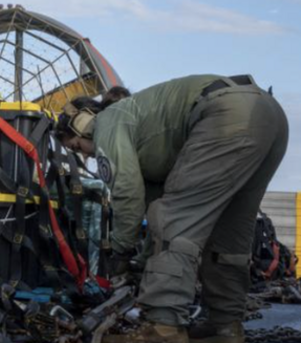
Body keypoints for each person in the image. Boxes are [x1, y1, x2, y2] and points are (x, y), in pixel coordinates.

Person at [57, 75, 289, 343]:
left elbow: (129, 197)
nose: (85, 155)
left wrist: (119, 253)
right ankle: (224, 326)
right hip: (269, 116)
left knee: (175, 220)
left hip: (225, 116)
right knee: (228, 233)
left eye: (77, 146)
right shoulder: (146, 138)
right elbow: (153, 209)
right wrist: (141, 261)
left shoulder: (107, 123)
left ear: (83, 123)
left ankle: (163, 328)